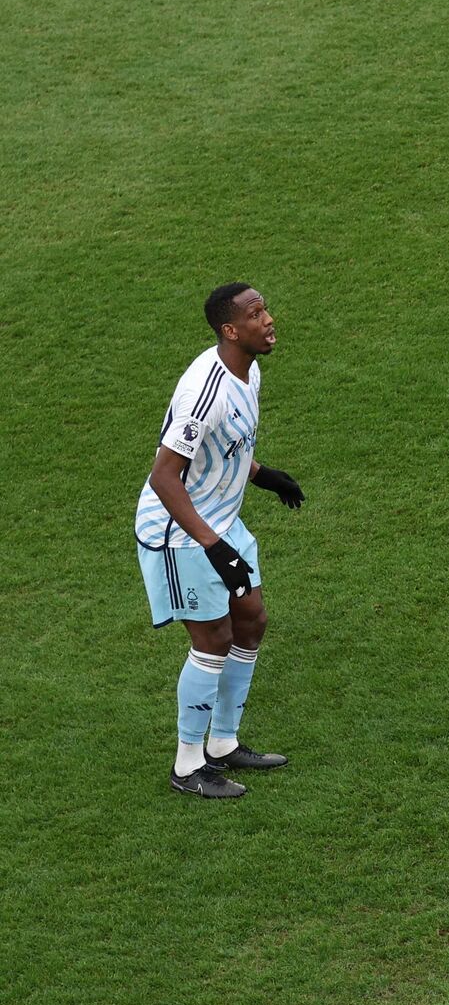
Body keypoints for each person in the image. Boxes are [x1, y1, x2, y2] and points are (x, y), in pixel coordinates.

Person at [135, 283, 305, 799]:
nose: (269, 319)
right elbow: (166, 477)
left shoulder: (248, 370)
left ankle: (223, 742)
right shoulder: (201, 394)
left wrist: (261, 475)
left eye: (265, 308)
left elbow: (226, 447)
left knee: (251, 621)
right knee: (211, 640)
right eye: (256, 314)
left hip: (220, 520)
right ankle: (188, 766)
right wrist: (212, 546)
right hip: (181, 534)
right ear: (230, 330)